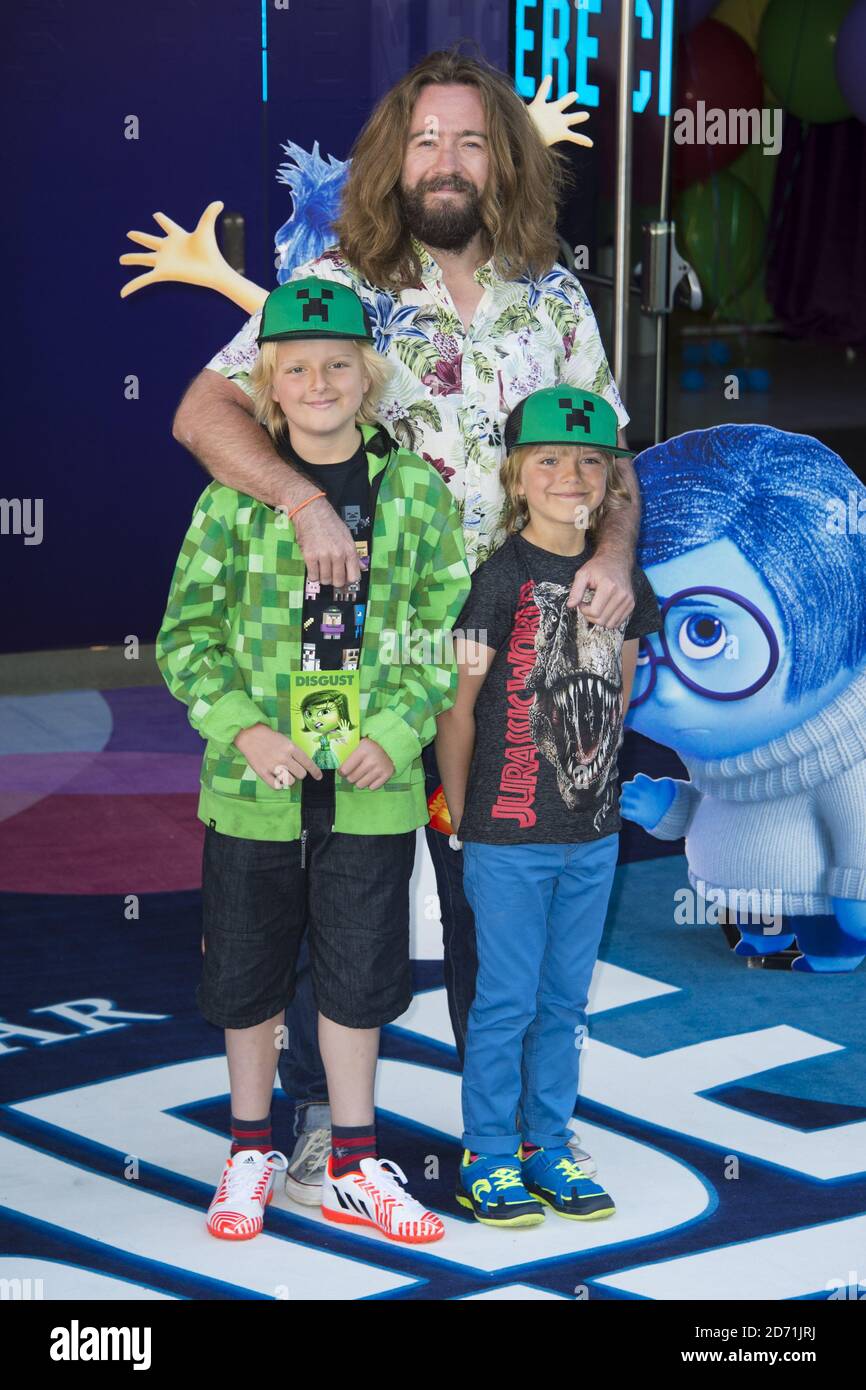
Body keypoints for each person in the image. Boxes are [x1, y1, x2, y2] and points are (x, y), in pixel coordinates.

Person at [165, 48, 641, 1199]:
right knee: (322, 883)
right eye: (424, 138)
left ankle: (507, 1140)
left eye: (470, 139)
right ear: (394, 156)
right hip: (359, 659)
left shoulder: (557, 295)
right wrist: (300, 498)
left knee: (497, 899)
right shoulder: (339, 282)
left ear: (504, 157)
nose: (445, 159)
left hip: (519, 660)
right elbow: (202, 407)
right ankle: (312, 1122)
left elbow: (612, 464)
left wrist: (617, 552)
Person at [156, 277, 470, 1243]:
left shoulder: (413, 493)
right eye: (297, 368)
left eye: (339, 364)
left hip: (371, 786)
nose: (320, 382)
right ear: (267, 386)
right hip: (256, 783)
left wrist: (396, 731)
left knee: (358, 970)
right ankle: (251, 1144)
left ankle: (352, 1157)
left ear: (368, 377)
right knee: (248, 968)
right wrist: (245, 727)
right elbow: (183, 640)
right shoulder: (231, 502)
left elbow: (441, 631)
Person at [435, 386, 661, 1226]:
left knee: (566, 999)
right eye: (551, 460)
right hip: (506, 834)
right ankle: (487, 1155)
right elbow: (456, 707)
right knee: (507, 999)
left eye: (591, 461)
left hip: (593, 836)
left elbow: (625, 686)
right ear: (516, 476)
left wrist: (597, 791)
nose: (572, 474)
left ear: (610, 481)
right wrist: (464, 815)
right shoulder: (496, 580)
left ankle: (547, 1144)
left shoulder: (624, 579)